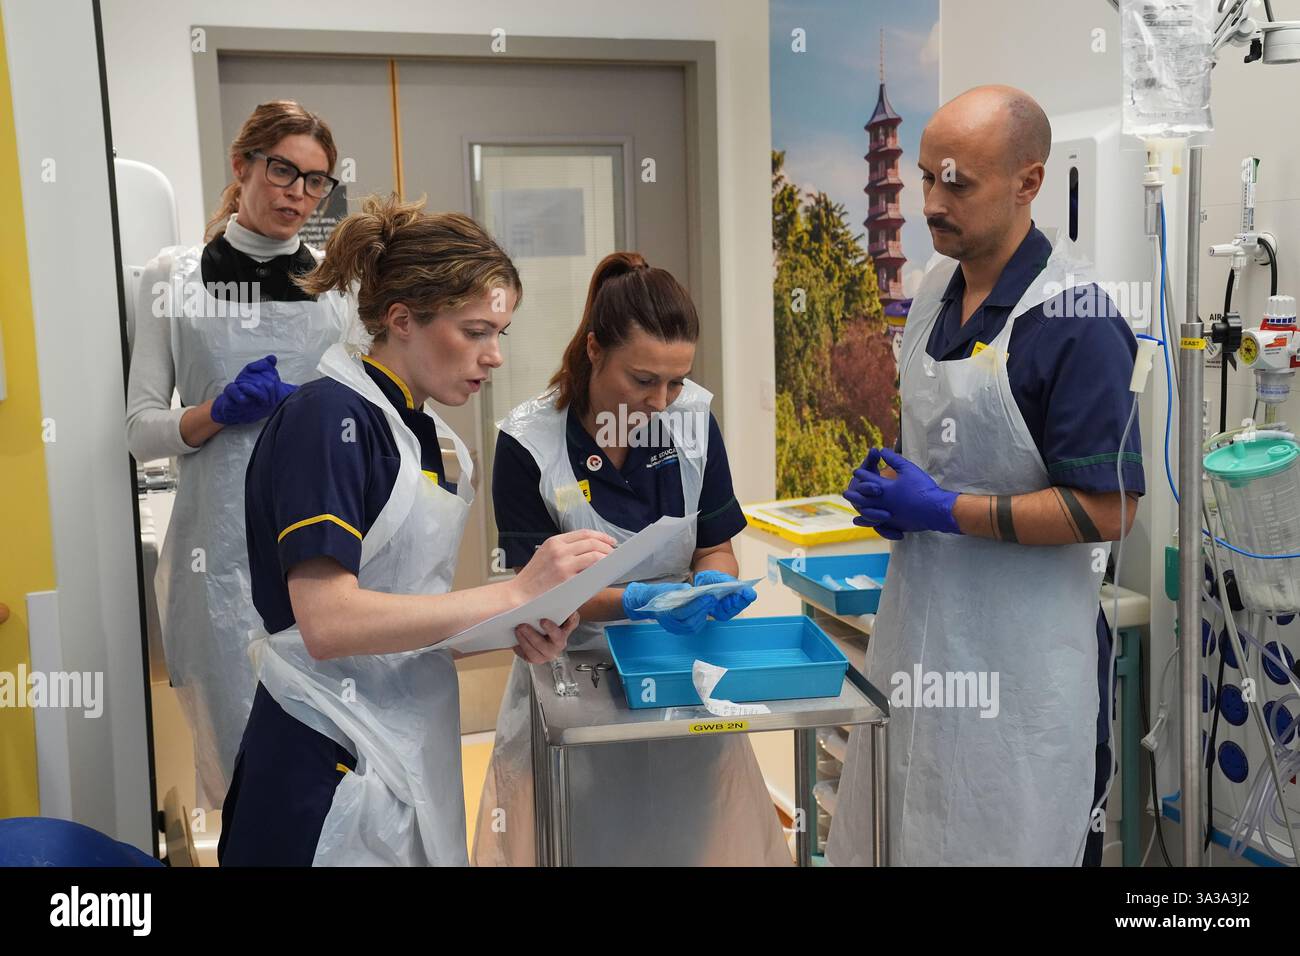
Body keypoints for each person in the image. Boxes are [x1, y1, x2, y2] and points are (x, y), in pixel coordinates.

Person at [217, 195, 614, 866]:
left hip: (405, 735)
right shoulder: (328, 420)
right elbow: (329, 621)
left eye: (500, 334)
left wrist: (513, 629)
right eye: (474, 330)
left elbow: (405, 611)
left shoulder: (424, 435)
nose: (492, 356)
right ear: (401, 319)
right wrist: (514, 595)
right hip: (326, 750)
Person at [827, 85, 1144, 866]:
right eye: (926, 179)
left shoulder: (1074, 320)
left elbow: (1107, 511)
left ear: (1028, 182)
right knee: (902, 823)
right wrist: (898, 494)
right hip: (920, 634)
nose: (933, 202)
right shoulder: (937, 291)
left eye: (957, 183)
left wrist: (944, 510)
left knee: (1001, 835)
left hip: (1022, 663)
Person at [472, 252, 791, 866]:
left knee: (685, 839)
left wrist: (710, 588)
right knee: (580, 842)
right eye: (643, 380)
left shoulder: (691, 421)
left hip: (676, 673)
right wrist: (640, 601)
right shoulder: (529, 442)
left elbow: (715, 545)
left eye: (675, 381)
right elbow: (534, 593)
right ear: (594, 349)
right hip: (570, 674)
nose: (662, 400)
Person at [125, 100, 350, 809]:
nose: (299, 194)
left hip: (320, 545)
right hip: (215, 560)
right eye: (284, 170)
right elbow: (137, 428)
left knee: (328, 767)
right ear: (242, 164)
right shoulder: (174, 277)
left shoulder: (337, 286)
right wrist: (212, 414)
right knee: (243, 769)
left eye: (317, 181)